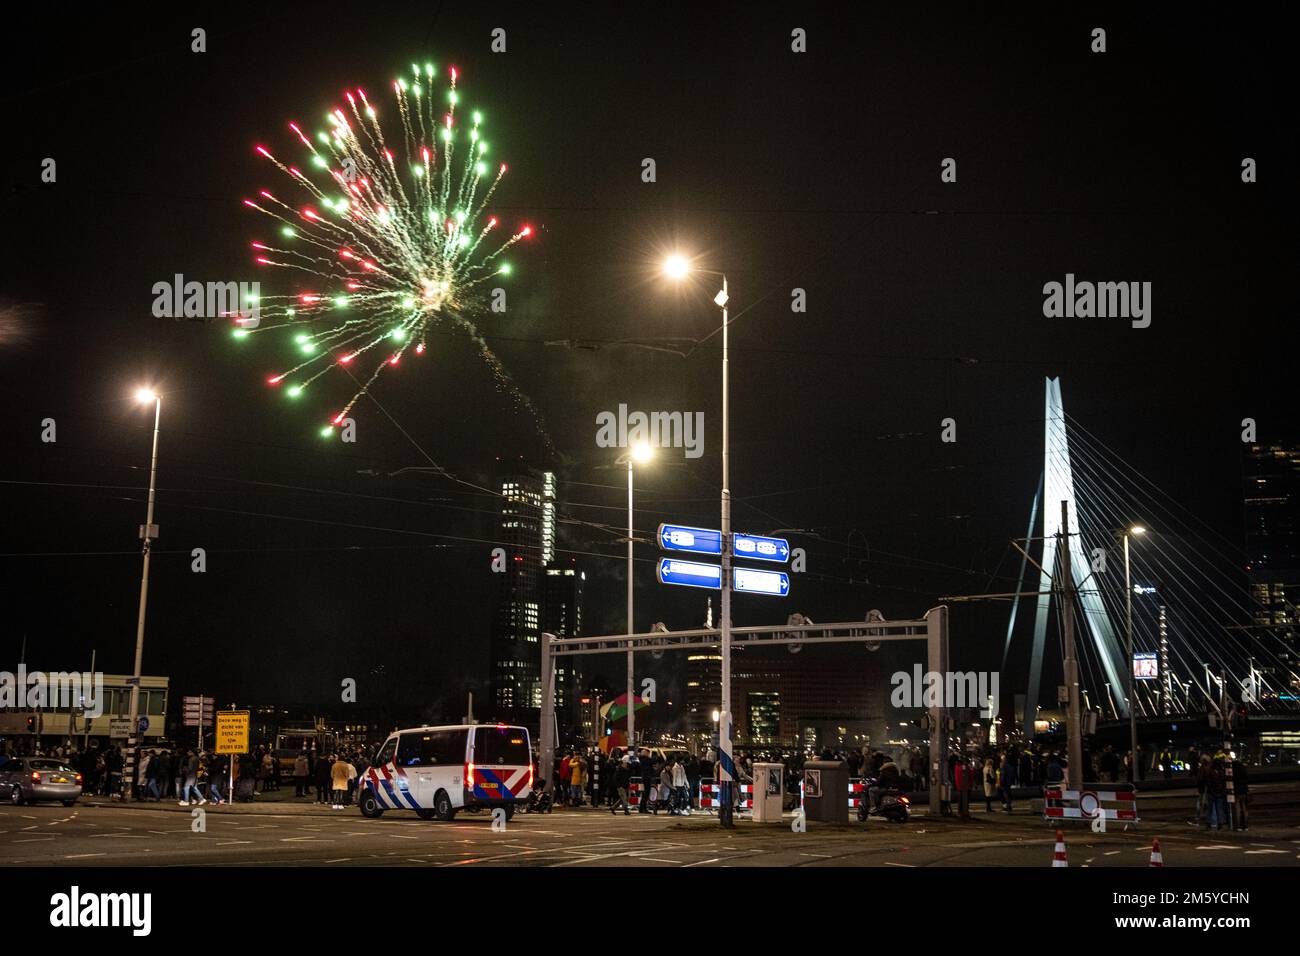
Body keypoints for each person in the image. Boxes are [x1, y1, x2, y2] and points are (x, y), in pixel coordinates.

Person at [1230, 757, 1249, 831]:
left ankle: (1238, 825)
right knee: (1244, 808)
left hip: (1237, 790)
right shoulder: (1243, 770)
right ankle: (1245, 825)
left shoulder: (1234, 771)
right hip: (1244, 790)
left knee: (1237, 808)